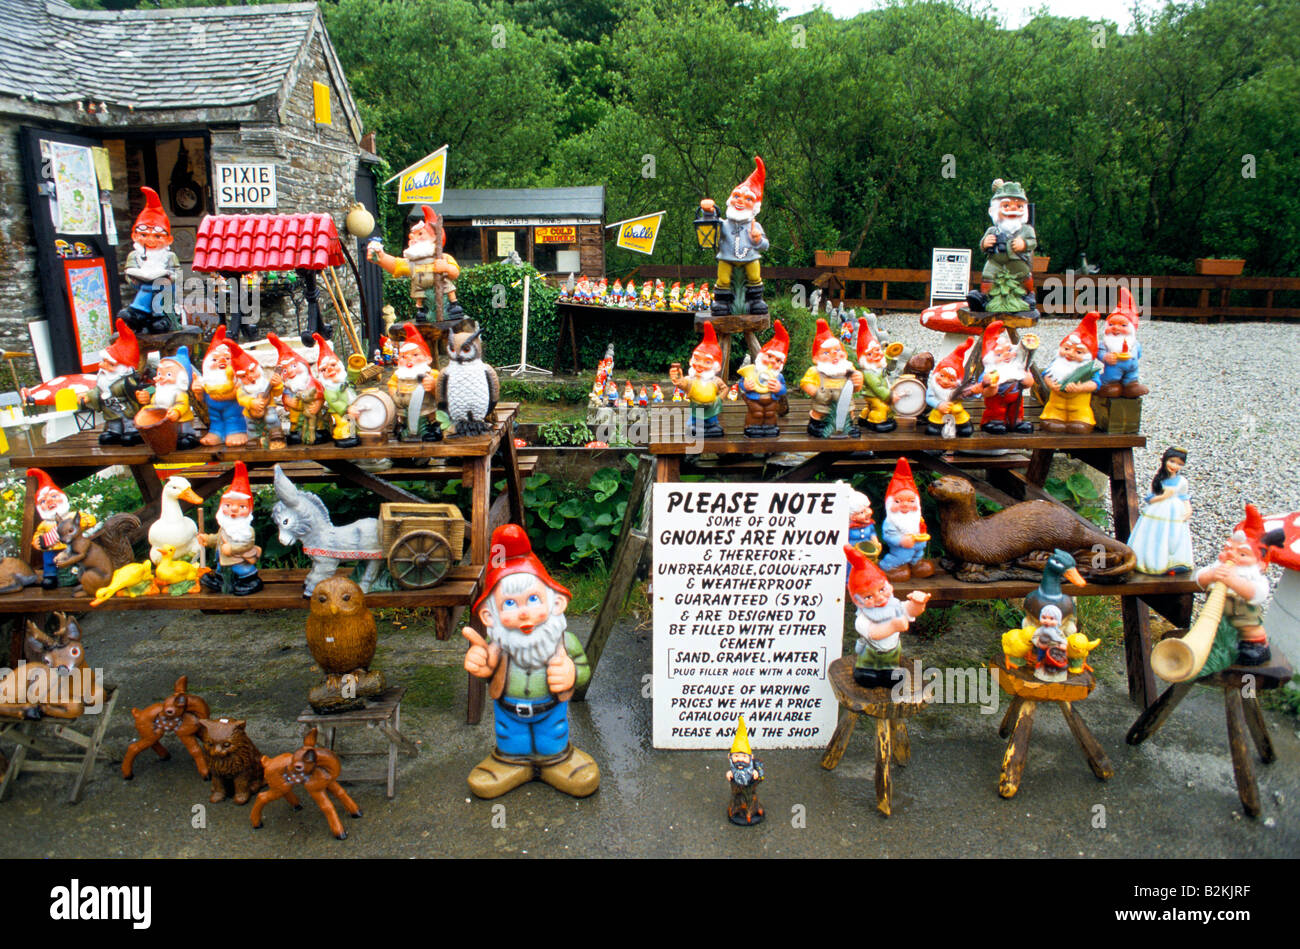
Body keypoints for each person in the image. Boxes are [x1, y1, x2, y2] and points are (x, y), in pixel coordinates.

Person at [462, 524, 599, 799]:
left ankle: (556, 760)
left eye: (533, 599)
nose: (524, 614)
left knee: (553, 741)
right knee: (512, 741)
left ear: (556, 604)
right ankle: (512, 762)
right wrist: (484, 667)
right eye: (510, 604)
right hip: (508, 714)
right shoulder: (498, 646)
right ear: (491, 617)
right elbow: (489, 670)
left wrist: (572, 673)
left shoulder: (565, 643)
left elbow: (584, 673)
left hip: (551, 713)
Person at [844, 544, 931, 687]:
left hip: (891, 652)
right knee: (867, 674)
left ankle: (888, 675)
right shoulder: (863, 618)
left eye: (882, 589)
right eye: (868, 597)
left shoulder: (895, 606)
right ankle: (866, 674)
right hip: (871, 653)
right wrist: (893, 626)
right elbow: (874, 633)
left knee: (891, 673)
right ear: (858, 601)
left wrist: (917, 602)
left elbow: (910, 610)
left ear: (889, 585)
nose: (878, 597)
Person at [367, 205, 463, 323]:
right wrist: (380, 258)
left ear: (435, 237)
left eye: (420, 234)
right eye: (413, 236)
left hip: (443, 298)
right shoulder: (412, 262)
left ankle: (453, 305)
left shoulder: (443, 257)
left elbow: (455, 273)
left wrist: (446, 267)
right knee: (419, 295)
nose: (414, 239)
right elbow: (396, 265)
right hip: (422, 292)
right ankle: (421, 310)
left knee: (447, 286)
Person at [699, 157, 769, 317]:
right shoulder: (724, 224)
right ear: (731, 200)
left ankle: (755, 301)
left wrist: (758, 240)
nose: (740, 201)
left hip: (749, 258)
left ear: (755, 206)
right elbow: (710, 223)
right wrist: (707, 210)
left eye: (748, 199)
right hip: (727, 258)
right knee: (723, 278)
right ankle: (722, 303)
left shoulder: (754, 225)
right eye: (737, 196)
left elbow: (766, 245)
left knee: (754, 275)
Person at [1196, 527, 1271, 667]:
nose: (1230, 554)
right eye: (1227, 549)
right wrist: (1211, 575)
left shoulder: (1253, 576)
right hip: (1216, 618)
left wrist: (1233, 581)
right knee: (1214, 632)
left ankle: (1256, 647)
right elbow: (1199, 580)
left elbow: (1257, 594)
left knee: (1250, 630)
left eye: (1242, 554)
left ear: (1260, 562)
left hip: (1243, 620)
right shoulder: (1216, 568)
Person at [967, 178, 1038, 316]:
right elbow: (982, 246)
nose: (1013, 209)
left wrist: (1023, 244)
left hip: (1017, 261)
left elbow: (1032, 242)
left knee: (1025, 275)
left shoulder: (1026, 230)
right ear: (993, 210)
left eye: (1019, 206)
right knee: (988, 275)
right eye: (1006, 206)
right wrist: (985, 243)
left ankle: (1028, 296)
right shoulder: (993, 230)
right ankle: (985, 298)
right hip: (996, 261)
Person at [120, 186, 181, 335]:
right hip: (142, 286)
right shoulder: (135, 255)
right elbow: (130, 275)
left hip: (165, 289)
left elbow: (176, 274)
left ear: (168, 239)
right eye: (144, 235)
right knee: (148, 285)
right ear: (135, 235)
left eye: (157, 236)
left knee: (158, 284)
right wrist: (137, 278)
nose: (150, 240)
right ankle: (144, 316)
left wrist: (169, 276)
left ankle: (145, 313)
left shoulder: (168, 256)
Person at [198, 463, 263, 596]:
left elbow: (246, 545)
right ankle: (220, 581)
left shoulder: (246, 530)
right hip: (223, 558)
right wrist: (208, 539)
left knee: (240, 569)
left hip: (237, 558)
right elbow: (219, 538)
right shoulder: (225, 525)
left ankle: (251, 581)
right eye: (228, 505)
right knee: (221, 568)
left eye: (241, 507)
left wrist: (232, 549)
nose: (233, 509)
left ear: (249, 509)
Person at [27, 468, 96, 589]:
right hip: (53, 548)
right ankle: (50, 577)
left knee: (79, 557)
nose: (49, 501)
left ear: (63, 497)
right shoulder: (45, 524)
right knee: (49, 559)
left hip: (72, 545)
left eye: (53, 496)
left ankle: (82, 574)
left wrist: (83, 523)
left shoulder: (72, 516)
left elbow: (90, 520)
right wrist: (38, 542)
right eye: (43, 501)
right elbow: (38, 534)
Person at [80, 319, 145, 446]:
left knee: (127, 420)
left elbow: (140, 391)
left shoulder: (126, 381)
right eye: (103, 361)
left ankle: (132, 431)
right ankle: (114, 432)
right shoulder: (103, 378)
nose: (102, 366)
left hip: (125, 406)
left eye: (108, 364)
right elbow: (98, 390)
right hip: (110, 407)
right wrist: (89, 396)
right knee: (113, 421)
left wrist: (142, 397)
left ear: (123, 369)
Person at [1129, 447, 1193, 575]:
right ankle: (1152, 562)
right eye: (1172, 461)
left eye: (1179, 464)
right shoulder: (1158, 479)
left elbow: (1184, 497)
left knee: (1173, 537)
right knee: (1155, 535)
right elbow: (1150, 499)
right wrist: (1164, 496)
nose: (1174, 466)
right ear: (1165, 460)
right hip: (1157, 510)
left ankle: (1174, 562)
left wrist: (1188, 510)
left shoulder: (1182, 481)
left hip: (1175, 512)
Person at [799, 319, 864, 438]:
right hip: (823, 408)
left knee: (847, 416)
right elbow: (805, 383)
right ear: (816, 358)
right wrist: (817, 392)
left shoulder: (848, 369)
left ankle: (848, 426)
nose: (834, 354)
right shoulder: (815, 371)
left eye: (838, 350)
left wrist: (858, 380)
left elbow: (856, 388)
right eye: (826, 353)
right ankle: (818, 426)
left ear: (844, 353)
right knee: (821, 415)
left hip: (845, 409)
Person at [1040, 312, 1101, 434]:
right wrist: (1051, 385)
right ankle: (1055, 418)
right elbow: (1046, 375)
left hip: (1079, 409)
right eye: (1066, 348)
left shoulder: (1088, 369)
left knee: (1078, 426)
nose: (1070, 354)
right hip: (1055, 407)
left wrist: (1080, 387)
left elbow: (1095, 384)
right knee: (1051, 424)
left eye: (1078, 352)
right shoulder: (1057, 364)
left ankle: (1079, 421)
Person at [970, 320, 1033, 434]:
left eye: (1009, 350)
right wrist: (992, 387)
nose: (1006, 355)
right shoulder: (990, 372)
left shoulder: (1017, 367)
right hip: (998, 398)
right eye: (999, 354)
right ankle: (993, 422)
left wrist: (1027, 379)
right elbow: (985, 392)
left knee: (1017, 410)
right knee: (996, 411)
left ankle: (1016, 422)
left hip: (1015, 397)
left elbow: (1028, 383)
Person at [192, 325, 249, 447]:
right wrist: (198, 391)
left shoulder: (236, 378)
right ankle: (216, 433)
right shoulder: (206, 380)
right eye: (215, 360)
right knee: (215, 419)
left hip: (233, 409)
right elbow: (200, 399)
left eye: (227, 358)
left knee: (233, 417)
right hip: (213, 409)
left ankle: (236, 431)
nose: (221, 361)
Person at [669, 322, 728, 438]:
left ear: (715, 365)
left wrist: (718, 399)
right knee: (695, 425)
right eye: (697, 359)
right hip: (697, 408)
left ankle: (711, 426)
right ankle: (695, 427)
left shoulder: (716, 380)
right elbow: (683, 384)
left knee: (713, 425)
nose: (700, 365)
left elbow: (724, 388)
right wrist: (678, 380)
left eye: (707, 362)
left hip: (712, 407)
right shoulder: (691, 379)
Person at [385, 324, 442, 442]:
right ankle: (403, 428)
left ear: (428, 359)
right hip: (404, 410)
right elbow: (392, 384)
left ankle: (431, 428)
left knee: (432, 419)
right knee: (402, 420)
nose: (409, 359)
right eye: (403, 356)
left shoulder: (431, 373)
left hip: (426, 411)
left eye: (415, 355)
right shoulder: (399, 374)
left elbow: (441, 390)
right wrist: (393, 391)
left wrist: (433, 385)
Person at [878, 458, 933, 581]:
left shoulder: (916, 517)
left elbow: (921, 528)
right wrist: (901, 540)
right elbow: (887, 536)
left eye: (911, 501)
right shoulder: (891, 521)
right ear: (890, 503)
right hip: (901, 549)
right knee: (901, 556)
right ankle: (888, 566)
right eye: (898, 501)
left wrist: (923, 534)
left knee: (918, 554)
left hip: (917, 546)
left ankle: (916, 564)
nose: (905, 505)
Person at [137, 347, 199, 450]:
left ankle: (188, 436)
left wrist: (176, 412)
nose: (161, 377)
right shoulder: (158, 392)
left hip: (180, 421)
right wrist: (147, 407)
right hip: (164, 424)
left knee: (183, 431)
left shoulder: (180, 393)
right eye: (160, 373)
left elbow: (182, 404)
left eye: (169, 374)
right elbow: (154, 405)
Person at [736, 320, 788, 437]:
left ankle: (769, 428)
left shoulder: (778, 376)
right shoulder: (753, 371)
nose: (772, 361)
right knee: (757, 413)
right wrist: (746, 386)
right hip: (755, 399)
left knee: (770, 414)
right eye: (769, 356)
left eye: (777, 360)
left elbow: (784, 389)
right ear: (761, 355)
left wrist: (779, 388)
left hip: (771, 400)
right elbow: (741, 383)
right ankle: (752, 428)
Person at [1097, 287, 1149, 399]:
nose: (1116, 328)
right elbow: (1099, 352)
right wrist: (1105, 357)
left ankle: (1131, 386)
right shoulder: (1105, 344)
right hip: (1112, 371)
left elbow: (1138, 354)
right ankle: (1107, 386)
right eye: (1111, 325)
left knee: (1132, 378)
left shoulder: (1134, 344)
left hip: (1131, 370)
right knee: (1111, 383)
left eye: (1123, 325)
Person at [923, 338, 975, 437]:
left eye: (951, 380)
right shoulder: (934, 386)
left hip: (956, 411)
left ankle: (962, 426)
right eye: (942, 376)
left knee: (965, 429)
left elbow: (969, 396)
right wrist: (939, 404)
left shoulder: (959, 389)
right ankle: (936, 426)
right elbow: (929, 398)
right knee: (933, 430)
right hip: (939, 411)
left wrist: (974, 391)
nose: (945, 381)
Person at [855, 319, 897, 433]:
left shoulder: (877, 365)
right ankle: (876, 420)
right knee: (883, 407)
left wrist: (890, 355)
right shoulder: (869, 373)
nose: (876, 354)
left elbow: (885, 364)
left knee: (872, 406)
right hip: (873, 395)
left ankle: (865, 414)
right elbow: (877, 387)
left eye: (878, 350)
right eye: (870, 353)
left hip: (875, 395)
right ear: (863, 358)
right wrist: (890, 396)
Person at [725, 716, 765, 826]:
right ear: (730, 757)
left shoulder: (752, 769)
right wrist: (730, 774)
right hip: (737, 793)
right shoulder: (734, 770)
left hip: (750, 792)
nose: (740, 760)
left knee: (751, 800)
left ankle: (750, 812)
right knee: (737, 800)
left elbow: (760, 776)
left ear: (751, 757)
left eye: (743, 757)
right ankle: (735, 810)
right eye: (736, 756)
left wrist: (756, 774)